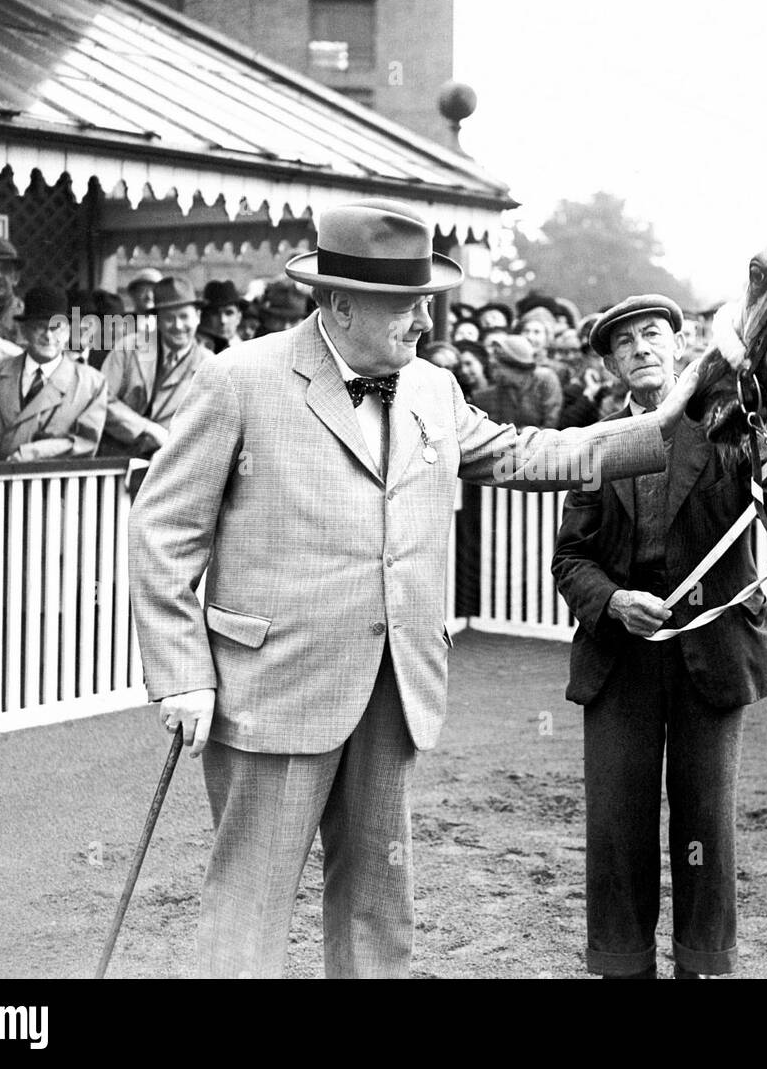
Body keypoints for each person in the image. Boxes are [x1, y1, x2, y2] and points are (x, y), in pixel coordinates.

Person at [128, 197, 704, 979]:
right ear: (337, 302)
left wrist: (669, 421)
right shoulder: (239, 380)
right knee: (249, 907)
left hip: (395, 685)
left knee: (378, 903)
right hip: (270, 691)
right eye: (406, 304)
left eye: (427, 301)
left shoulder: (432, 387)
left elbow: (528, 453)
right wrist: (183, 675)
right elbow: (163, 530)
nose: (425, 321)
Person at [551, 294, 767, 979]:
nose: (640, 349)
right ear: (612, 364)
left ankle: (704, 965)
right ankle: (622, 965)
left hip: (712, 654)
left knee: (705, 826)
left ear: (679, 348)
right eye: (623, 344)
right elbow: (570, 559)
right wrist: (616, 601)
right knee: (617, 829)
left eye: (652, 335)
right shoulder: (597, 444)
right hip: (621, 658)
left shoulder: (737, 433)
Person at [0, 286, 108, 461]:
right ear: (24, 330)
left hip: (56, 483)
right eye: (39, 327)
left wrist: (31, 453)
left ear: (68, 332)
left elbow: (86, 442)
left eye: (56, 327)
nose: (48, 336)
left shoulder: (92, 383)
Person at [99, 276, 210, 456]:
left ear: (197, 317)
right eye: (169, 318)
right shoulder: (128, 348)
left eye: (184, 316)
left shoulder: (209, 364)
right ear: (157, 320)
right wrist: (146, 428)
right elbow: (101, 398)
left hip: (174, 462)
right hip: (117, 457)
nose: (178, 326)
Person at [471, 334, 561, 427]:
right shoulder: (500, 389)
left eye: (497, 367)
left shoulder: (545, 380)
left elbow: (551, 423)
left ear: (515, 366)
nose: (494, 372)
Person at [199, 280, 247, 354]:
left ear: (239, 317)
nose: (223, 320)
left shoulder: (247, 352)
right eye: (215, 313)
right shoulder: (197, 353)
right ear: (206, 317)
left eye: (229, 313)